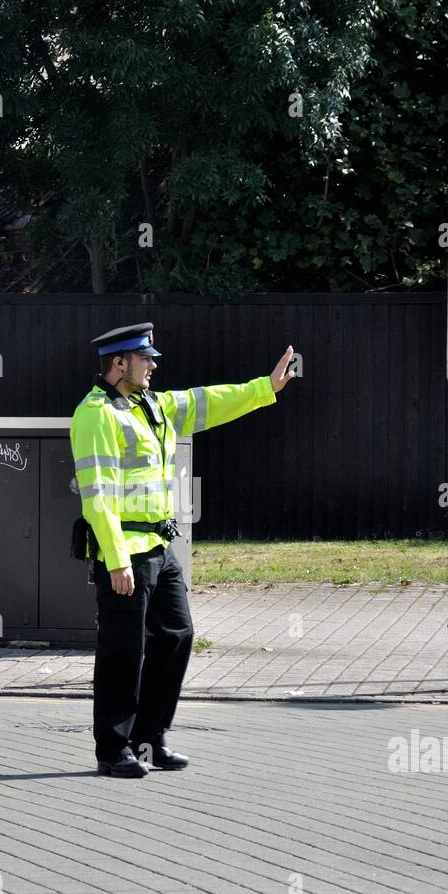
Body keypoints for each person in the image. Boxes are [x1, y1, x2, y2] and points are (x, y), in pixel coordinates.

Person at [70, 322, 296, 778]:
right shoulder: (96, 414)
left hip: (159, 544)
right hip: (125, 550)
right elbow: (96, 497)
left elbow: (209, 401)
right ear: (119, 363)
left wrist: (264, 388)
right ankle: (113, 749)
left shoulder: (153, 405)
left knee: (177, 635)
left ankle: (150, 740)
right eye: (145, 358)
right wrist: (115, 559)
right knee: (123, 650)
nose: (153, 365)